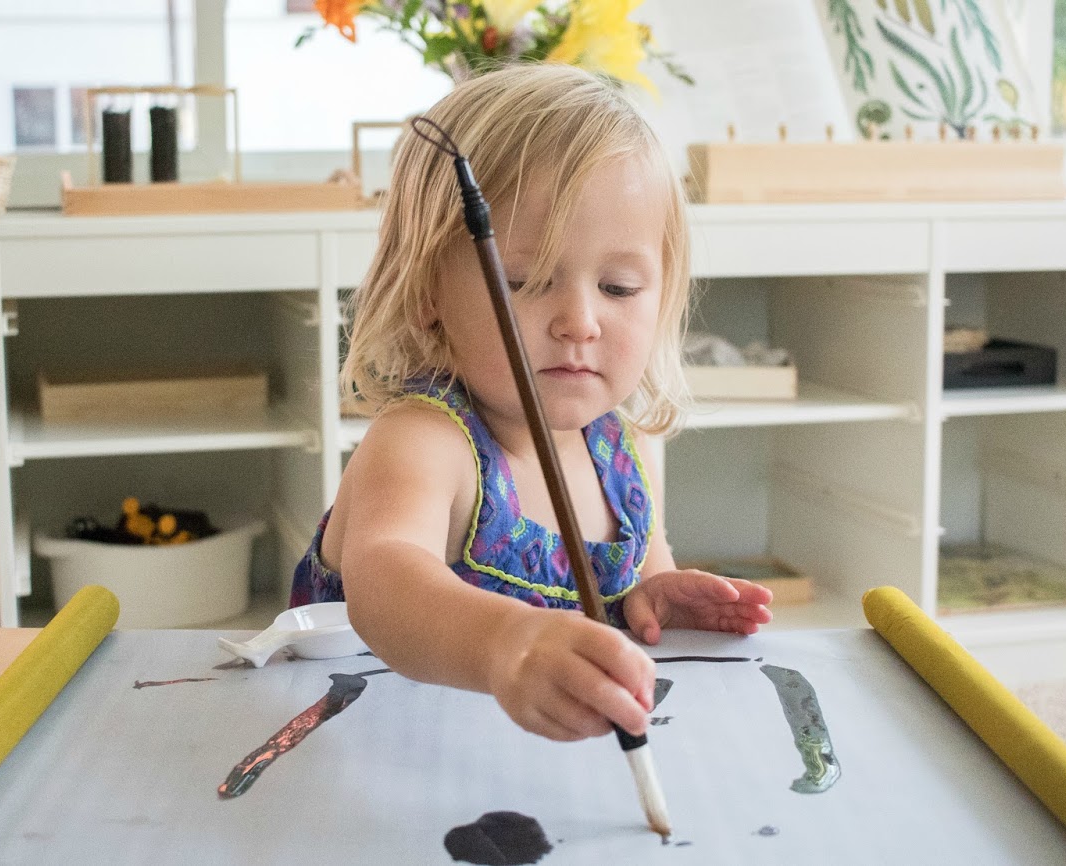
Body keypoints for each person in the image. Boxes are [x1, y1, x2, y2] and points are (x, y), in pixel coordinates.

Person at [290, 63, 773, 744]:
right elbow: (386, 586)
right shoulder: (424, 442)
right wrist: (504, 642)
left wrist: (652, 601)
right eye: (524, 279)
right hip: (384, 754)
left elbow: (642, 579)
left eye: (619, 286)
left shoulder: (626, 447)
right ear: (427, 289)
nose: (579, 321)